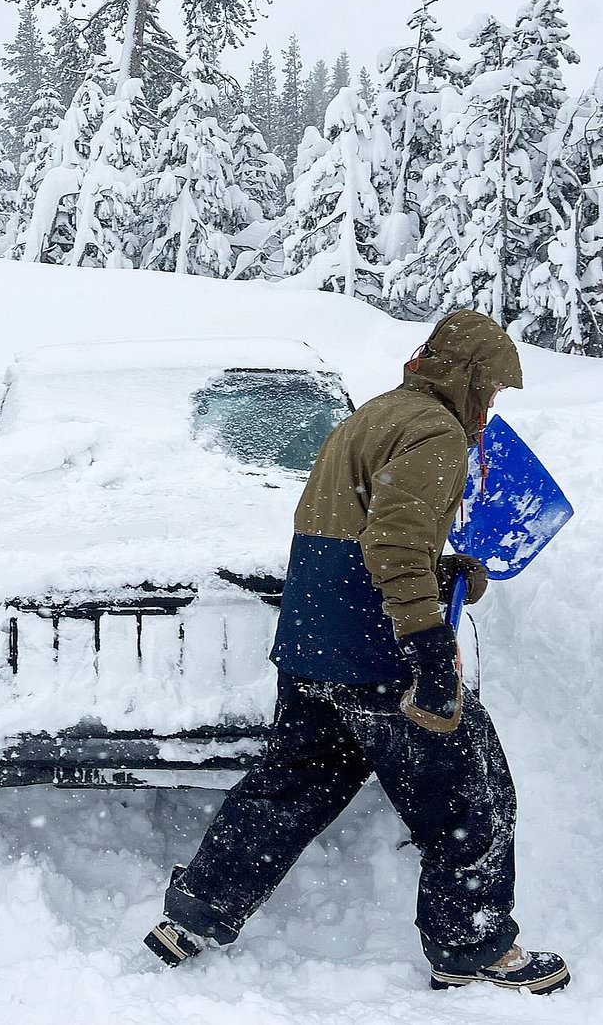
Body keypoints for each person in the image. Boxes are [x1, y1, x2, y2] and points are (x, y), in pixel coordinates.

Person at [144, 309, 568, 995]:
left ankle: (196, 912)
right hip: (378, 655)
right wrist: (430, 653)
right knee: (470, 793)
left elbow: (362, 531)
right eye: (488, 390)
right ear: (464, 378)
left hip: (314, 642)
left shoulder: (376, 415)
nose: (489, 407)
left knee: (290, 787)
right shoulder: (436, 433)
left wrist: (444, 572)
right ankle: (472, 946)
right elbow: (393, 546)